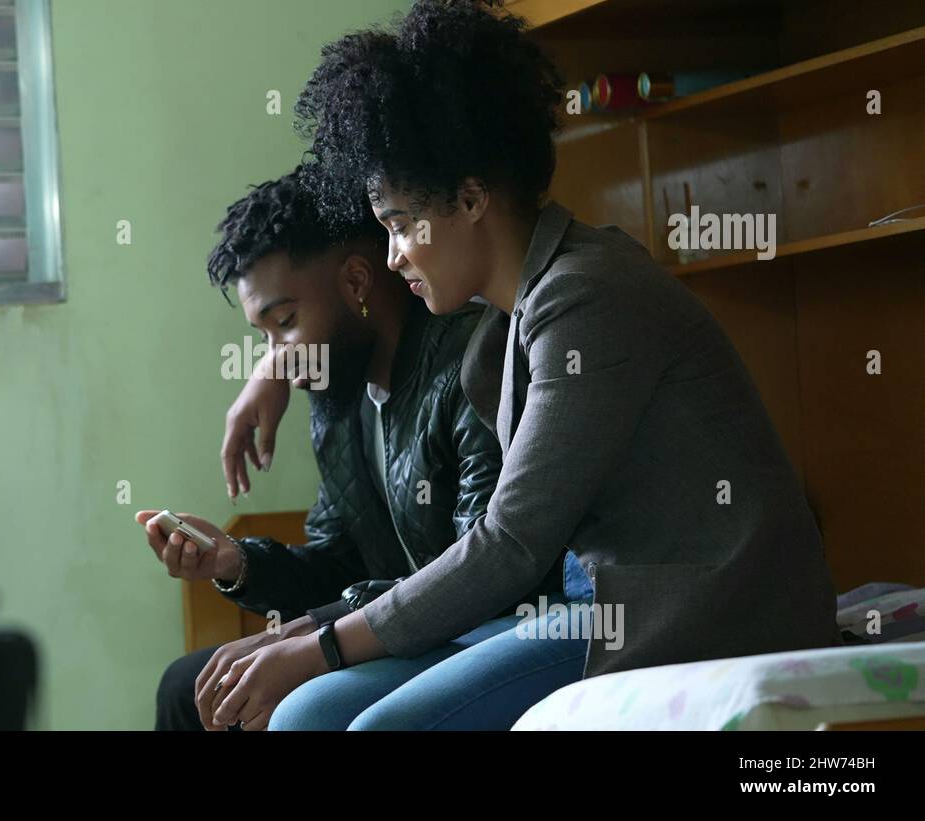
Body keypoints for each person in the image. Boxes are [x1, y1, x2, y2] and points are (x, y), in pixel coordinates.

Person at [204, 0, 840, 731]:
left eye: (402, 224)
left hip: (684, 610)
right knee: (311, 712)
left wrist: (324, 641)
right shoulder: (509, 321)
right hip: (582, 608)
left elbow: (508, 542)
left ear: (471, 197)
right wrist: (277, 369)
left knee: (372, 726)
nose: (393, 256)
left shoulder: (585, 296)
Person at [138, 168, 585, 731]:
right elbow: (339, 560)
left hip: (473, 621)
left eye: (285, 323)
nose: (276, 357)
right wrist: (239, 563)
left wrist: (319, 634)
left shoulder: (470, 366)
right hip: (385, 623)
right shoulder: (339, 396)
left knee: (294, 709)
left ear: (355, 282)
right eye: (264, 337)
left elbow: (480, 567)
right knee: (188, 686)